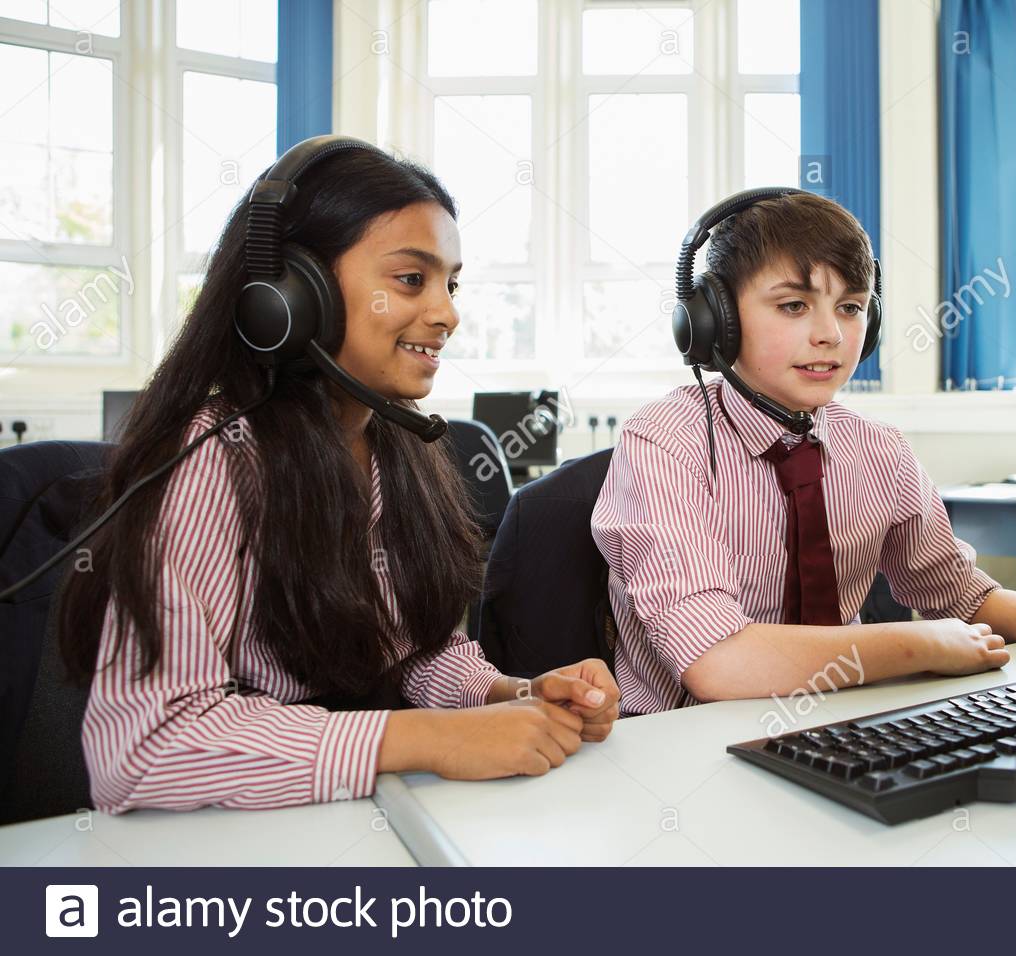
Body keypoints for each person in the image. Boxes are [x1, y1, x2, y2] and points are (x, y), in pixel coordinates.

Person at [58, 141, 619, 813]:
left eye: (452, 283)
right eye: (412, 279)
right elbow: (143, 748)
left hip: (362, 818)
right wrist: (427, 739)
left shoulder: (398, 444)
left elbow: (417, 655)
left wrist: (514, 695)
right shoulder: (214, 458)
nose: (447, 313)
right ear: (293, 295)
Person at [592, 191, 1016, 715]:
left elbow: (962, 595)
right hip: (685, 743)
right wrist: (918, 645)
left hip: (842, 721)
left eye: (850, 308)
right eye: (793, 306)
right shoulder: (666, 442)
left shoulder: (879, 449)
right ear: (714, 321)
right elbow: (716, 661)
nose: (829, 335)